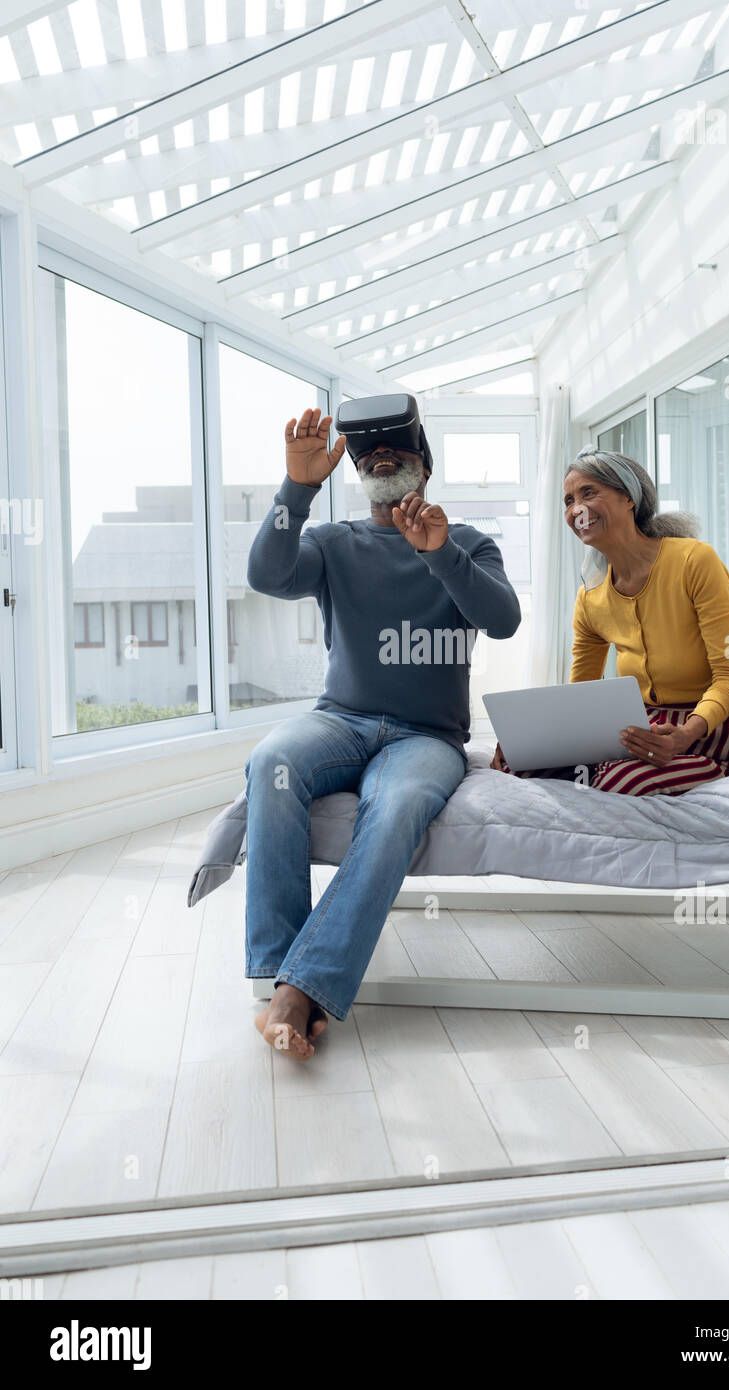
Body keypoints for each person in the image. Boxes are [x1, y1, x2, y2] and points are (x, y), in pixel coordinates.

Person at [245, 400, 521, 1059]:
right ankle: (280, 972)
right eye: (367, 456)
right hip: (339, 722)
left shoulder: (469, 543)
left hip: (426, 739)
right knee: (271, 764)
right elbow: (266, 574)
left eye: (395, 451)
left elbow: (503, 619)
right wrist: (298, 486)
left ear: (425, 467)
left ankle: (299, 989)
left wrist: (441, 553)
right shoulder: (334, 542)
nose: (379, 459)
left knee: (395, 806)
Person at [491, 446, 729, 794]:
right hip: (642, 725)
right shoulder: (590, 596)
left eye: (589, 493)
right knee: (516, 763)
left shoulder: (695, 561)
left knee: (618, 780)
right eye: (568, 500)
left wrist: (686, 734)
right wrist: (530, 743)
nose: (576, 509)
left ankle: (717, 769)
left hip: (711, 727)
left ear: (628, 498)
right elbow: (581, 694)